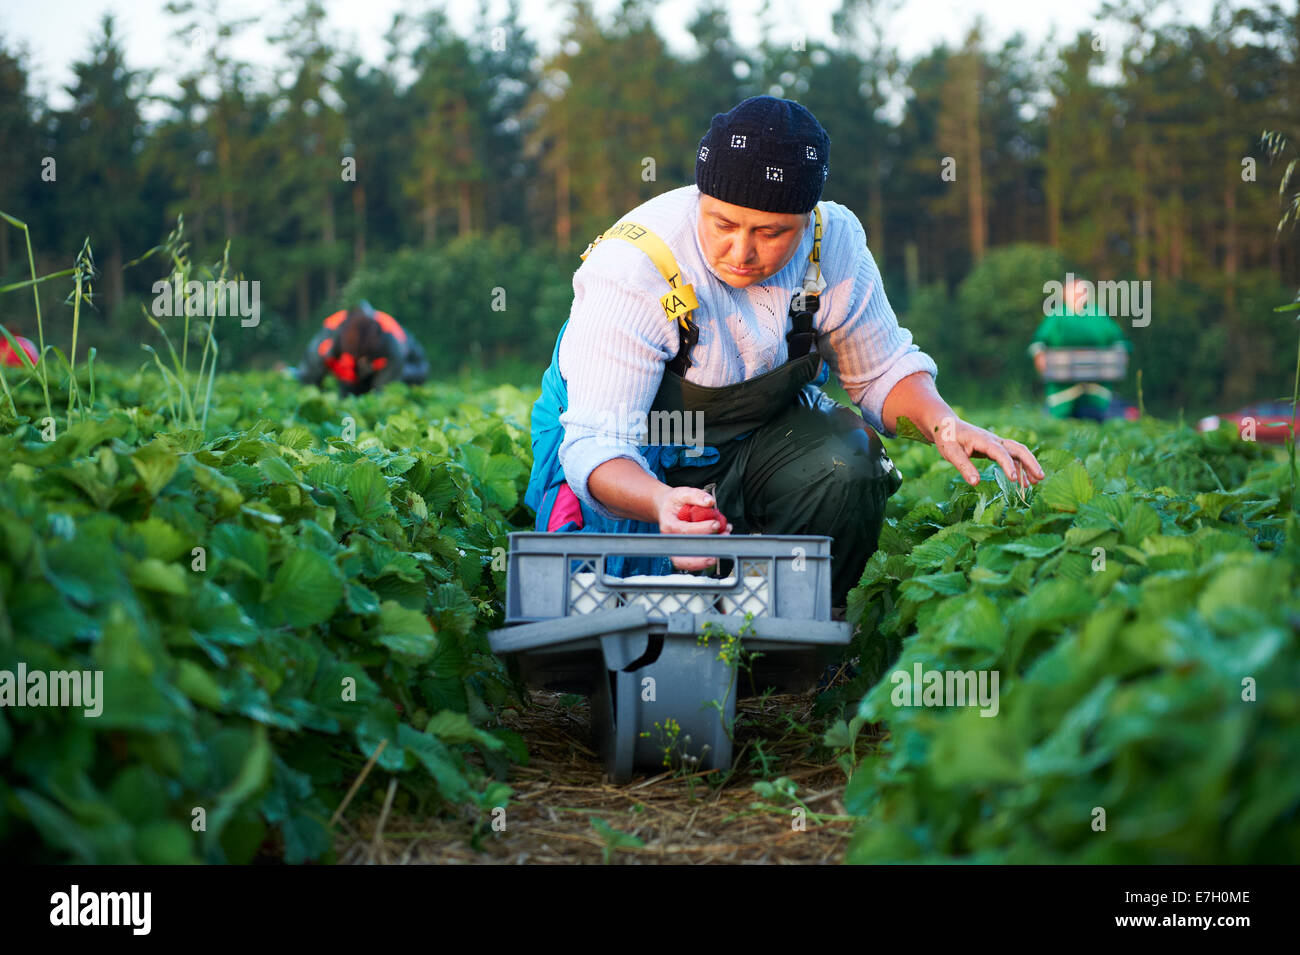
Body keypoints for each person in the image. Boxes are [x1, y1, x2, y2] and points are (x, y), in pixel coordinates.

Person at [527, 96, 1045, 607]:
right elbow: (599, 444)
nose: (742, 252)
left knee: (849, 462)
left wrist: (944, 424)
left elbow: (880, 372)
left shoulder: (833, 241)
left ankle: (794, 640)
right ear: (699, 200)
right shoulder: (635, 267)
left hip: (752, 437)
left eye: (772, 233)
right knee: (623, 591)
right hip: (631, 453)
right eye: (723, 224)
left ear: (806, 217)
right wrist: (661, 503)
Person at [1028, 278, 1132, 421]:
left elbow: (1117, 339)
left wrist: (1121, 355)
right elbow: (1039, 342)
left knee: (1095, 418)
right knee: (1061, 421)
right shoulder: (1057, 316)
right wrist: (1039, 355)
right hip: (1063, 385)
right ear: (1066, 294)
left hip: (1096, 383)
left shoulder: (1097, 314)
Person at [294, 301, 430, 397]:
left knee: (387, 387)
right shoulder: (331, 334)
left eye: (363, 356)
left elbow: (383, 392)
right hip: (357, 375)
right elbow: (309, 372)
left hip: (408, 368)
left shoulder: (390, 341)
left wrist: (376, 397)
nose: (360, 359)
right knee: (348, 389)